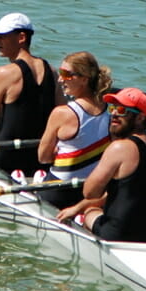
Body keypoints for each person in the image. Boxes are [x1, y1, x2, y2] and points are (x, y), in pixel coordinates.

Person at [58, 87, 146, 246]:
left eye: (122, 110)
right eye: (112, 108)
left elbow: (90, 192)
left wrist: (79, 209)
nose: (114, 114)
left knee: (91, 212)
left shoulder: (120, 147)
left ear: (140, 118)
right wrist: (76, 207)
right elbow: (120, 193)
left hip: (120, 235)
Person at [0, 12, 58, 177]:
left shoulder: (5, 73)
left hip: (5, 158)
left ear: (21, 37)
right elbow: (61, 112)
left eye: (2, 36)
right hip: (39, 159)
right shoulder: (52, 71)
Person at [35, 51, 112, 207]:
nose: (60, 79)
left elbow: (43, 157)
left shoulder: (62, 113)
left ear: (84, 79)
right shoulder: (111, 113)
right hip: (89, 195)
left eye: (66, 74)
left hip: (58, 192)